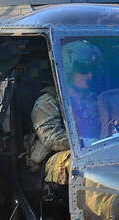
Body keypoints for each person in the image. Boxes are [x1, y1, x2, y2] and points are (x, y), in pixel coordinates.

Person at [27, 41, 104, 186]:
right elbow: (52, 139)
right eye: (83, 70)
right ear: (67, 69)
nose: (89, 75)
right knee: (91, 165)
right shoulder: (47, 102)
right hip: (55, 159)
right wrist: (87, 143)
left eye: (92, 70)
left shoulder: (93, 99)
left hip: (93, 152)